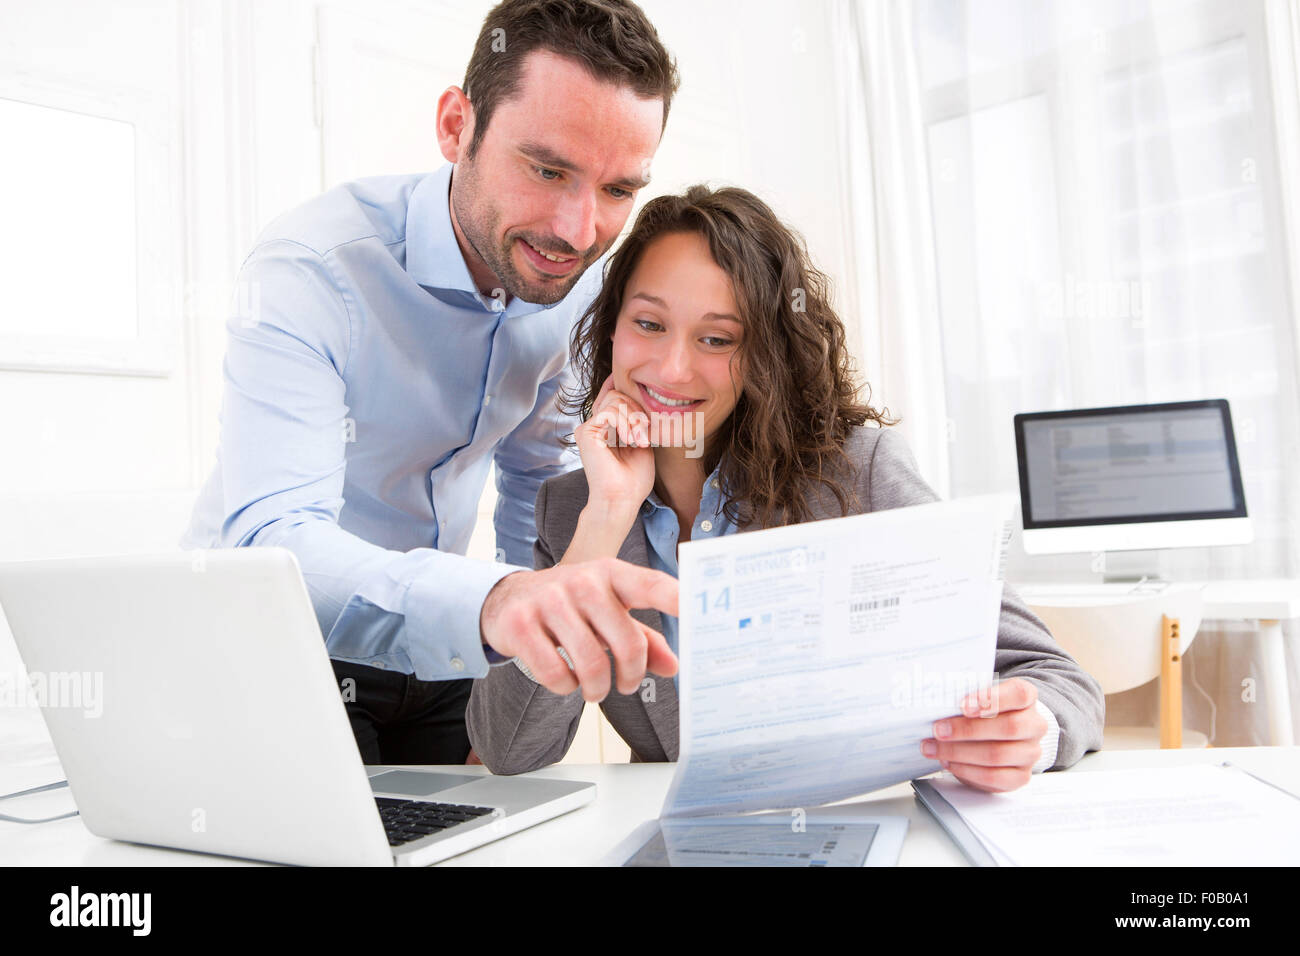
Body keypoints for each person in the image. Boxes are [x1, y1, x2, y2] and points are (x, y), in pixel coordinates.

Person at [466, 185, 1106, 792]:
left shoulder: (859, 472)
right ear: (612, 328)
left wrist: (1031, 733)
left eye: (717, 339)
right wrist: (606, 518)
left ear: (765, 353)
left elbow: (1058, 678)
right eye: (649, 324)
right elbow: (511, 748)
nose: (671, 367)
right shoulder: (573, 510)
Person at [181, 0, 684, 765]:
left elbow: (532, 479)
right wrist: (496, 605)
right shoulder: (312, 269)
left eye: (618, 190)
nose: (578, 232)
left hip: (443, 656)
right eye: (547, 169)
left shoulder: (577, 285)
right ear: (457, 126)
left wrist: (513, 664)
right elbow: (273, 543)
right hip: (280, 652)